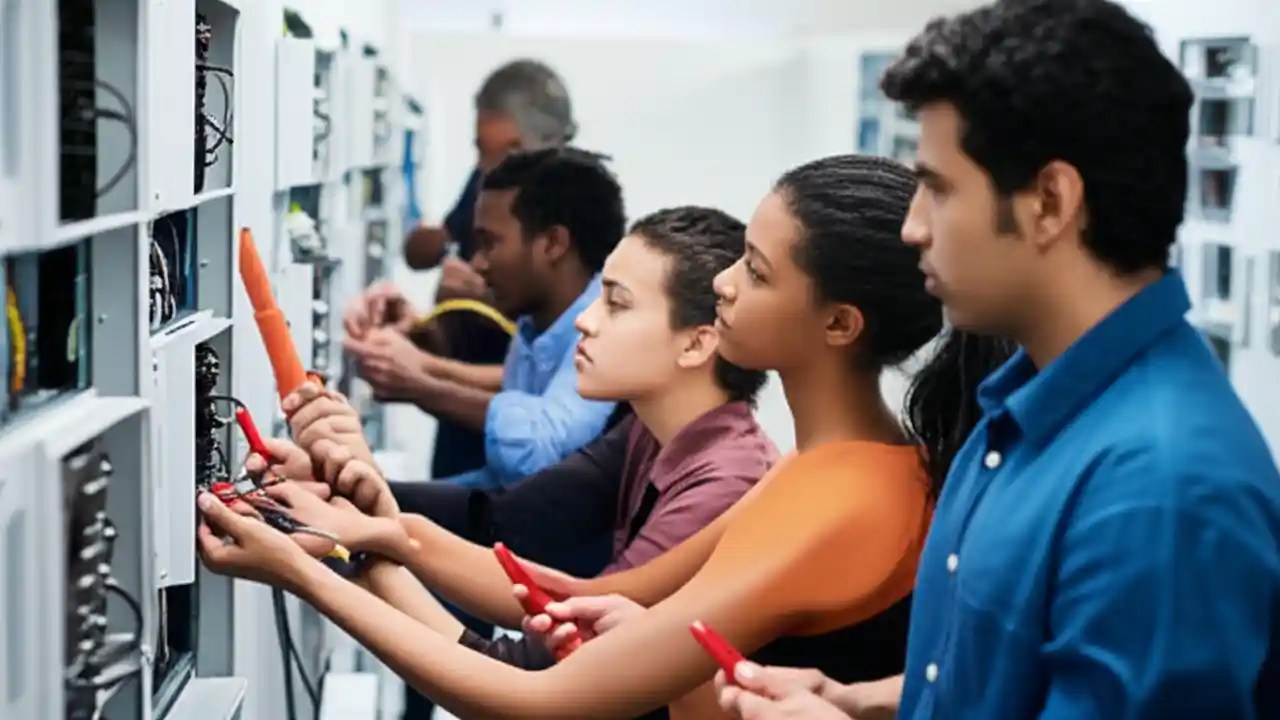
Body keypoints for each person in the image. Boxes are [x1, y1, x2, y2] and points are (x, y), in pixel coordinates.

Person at [195, 154, 1014, 719]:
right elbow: (591, 600)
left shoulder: (843, 497)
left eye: (757, 271)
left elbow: (540, 701)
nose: (724, 282)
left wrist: (308, 569)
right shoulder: (834, 470)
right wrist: (387, 534)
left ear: (839, 323)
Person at [713, 1, 1280, 719]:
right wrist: (863, 702)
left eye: (939, 189)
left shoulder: (1162, 483)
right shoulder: (1021, 410)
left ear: (1049, 202)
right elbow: (1008, 679)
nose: (913, 226)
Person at [284, 205, 779, 674]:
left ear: (695, 344)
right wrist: (350, 490)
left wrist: (350, 554)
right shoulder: (652, 433)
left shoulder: (721, 485)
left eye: (616, 304)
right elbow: (510, 522)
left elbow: (529, 671)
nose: (585, 321)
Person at [345, 147, 626, 491]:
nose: (478, 263)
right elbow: (502, 485)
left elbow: (540, 449)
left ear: (553, 243)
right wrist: (372, 494)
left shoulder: (605, 332)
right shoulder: (534, 327)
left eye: (489, 243)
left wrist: (420, 385)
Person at [354, 59, 577, 479]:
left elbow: (536, 388)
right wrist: (421, 335)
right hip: (467, 437)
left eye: (491, 244)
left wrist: (419, 377)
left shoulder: (577, 218)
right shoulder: (487, 183)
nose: (476, 260)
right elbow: (435, 254)